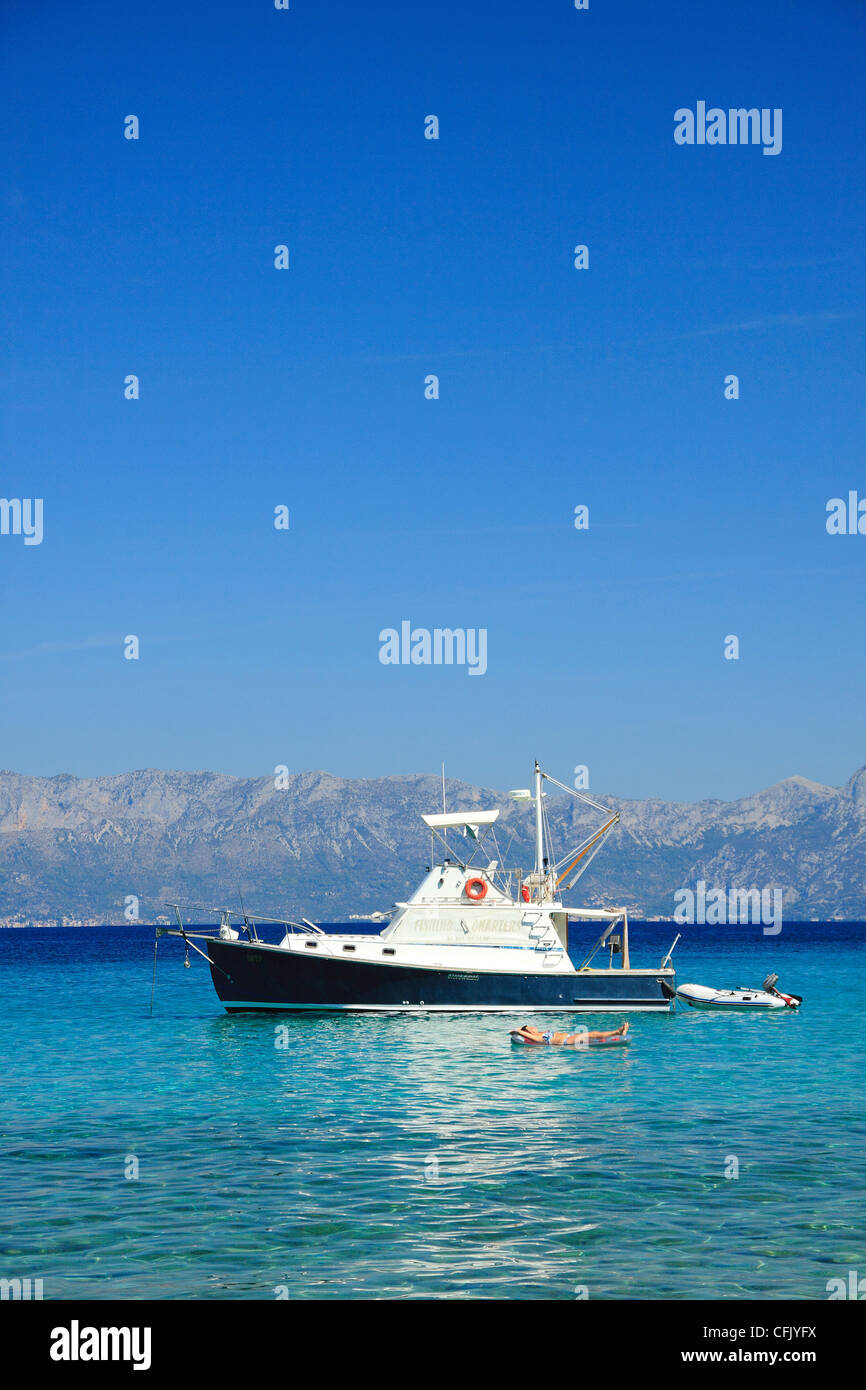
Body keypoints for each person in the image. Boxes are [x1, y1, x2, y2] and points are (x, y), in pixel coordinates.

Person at [512, 1020, 629, 1046]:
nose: (533, 1027)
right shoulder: (536, 1037)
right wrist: (519, 1031)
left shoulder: (541, 1033)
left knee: (593, 1040)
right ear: (528, 1032)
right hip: (566, 1041)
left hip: (568, 1039)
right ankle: (617, 1032)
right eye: (530, 1027)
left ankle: (617, 1034)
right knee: (592, 1034)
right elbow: (518, 1032)